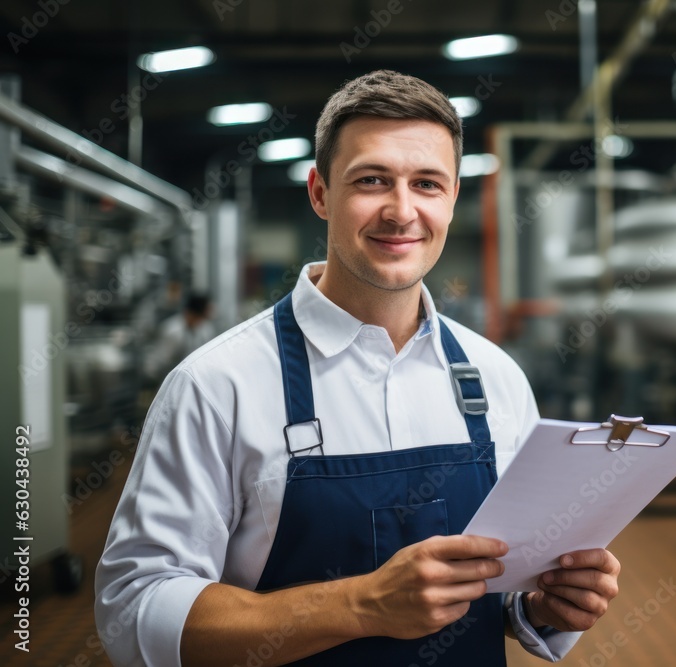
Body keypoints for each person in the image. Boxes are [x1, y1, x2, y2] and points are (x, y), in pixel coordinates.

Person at [95, 70, 621, 667]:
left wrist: (542, 607)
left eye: (427, 183)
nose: (402, 212)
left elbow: (498, 590)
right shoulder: (217, 385)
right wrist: (361, 605)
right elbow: (135, 610)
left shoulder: (497, 379)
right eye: (372, 180)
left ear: (451, 199)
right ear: (320, 193)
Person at [142, 291, 215, 383]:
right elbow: (156, 364)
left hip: (192, 380)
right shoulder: (173, 331)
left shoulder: (205, 329)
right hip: (169, 382)